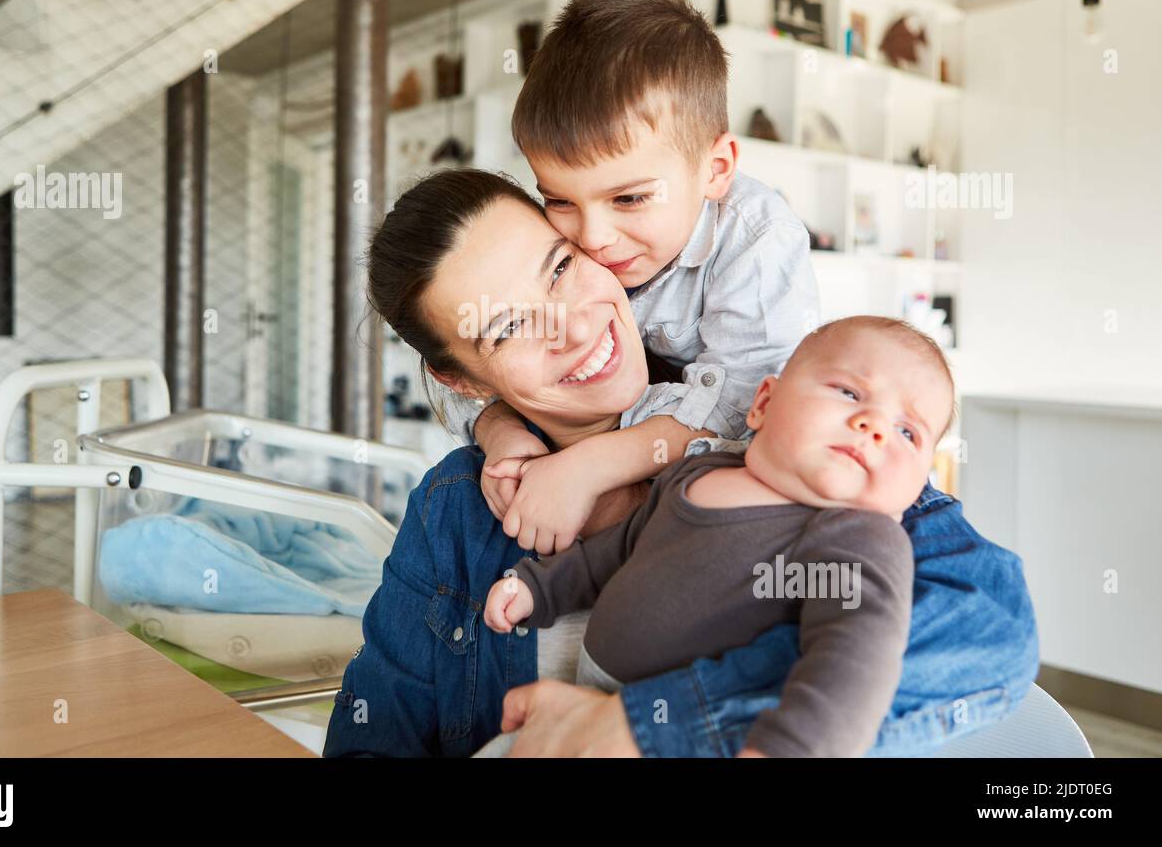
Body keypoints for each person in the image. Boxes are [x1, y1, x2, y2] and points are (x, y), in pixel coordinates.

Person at [321, 169, 1038, 758]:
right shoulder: (457, 511)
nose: (571, 326)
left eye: (562, 268)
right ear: (467, 382)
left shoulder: (807, 455)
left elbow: (990, 631)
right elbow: (371, 742)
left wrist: (644, 727)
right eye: (509, 327)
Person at [480, 316, 954, 757]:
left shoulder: (858, 538)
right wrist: (539, 587)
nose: (873, 428)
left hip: (689, 737)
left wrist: (787, 747)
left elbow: (854, 661)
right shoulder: (696, 471)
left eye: (908, 432)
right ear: (764, 404)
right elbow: (619, 551)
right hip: (587, 705)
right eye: (850, 393)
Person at [460, 0, 821, 557]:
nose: (593, 237)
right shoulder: (564, 234)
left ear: (715, 168)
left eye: (628, 198)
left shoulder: (757, 237)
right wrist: (499, 432)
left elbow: (743, 407)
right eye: (557, 199)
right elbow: (470, 353)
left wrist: (587, 468)